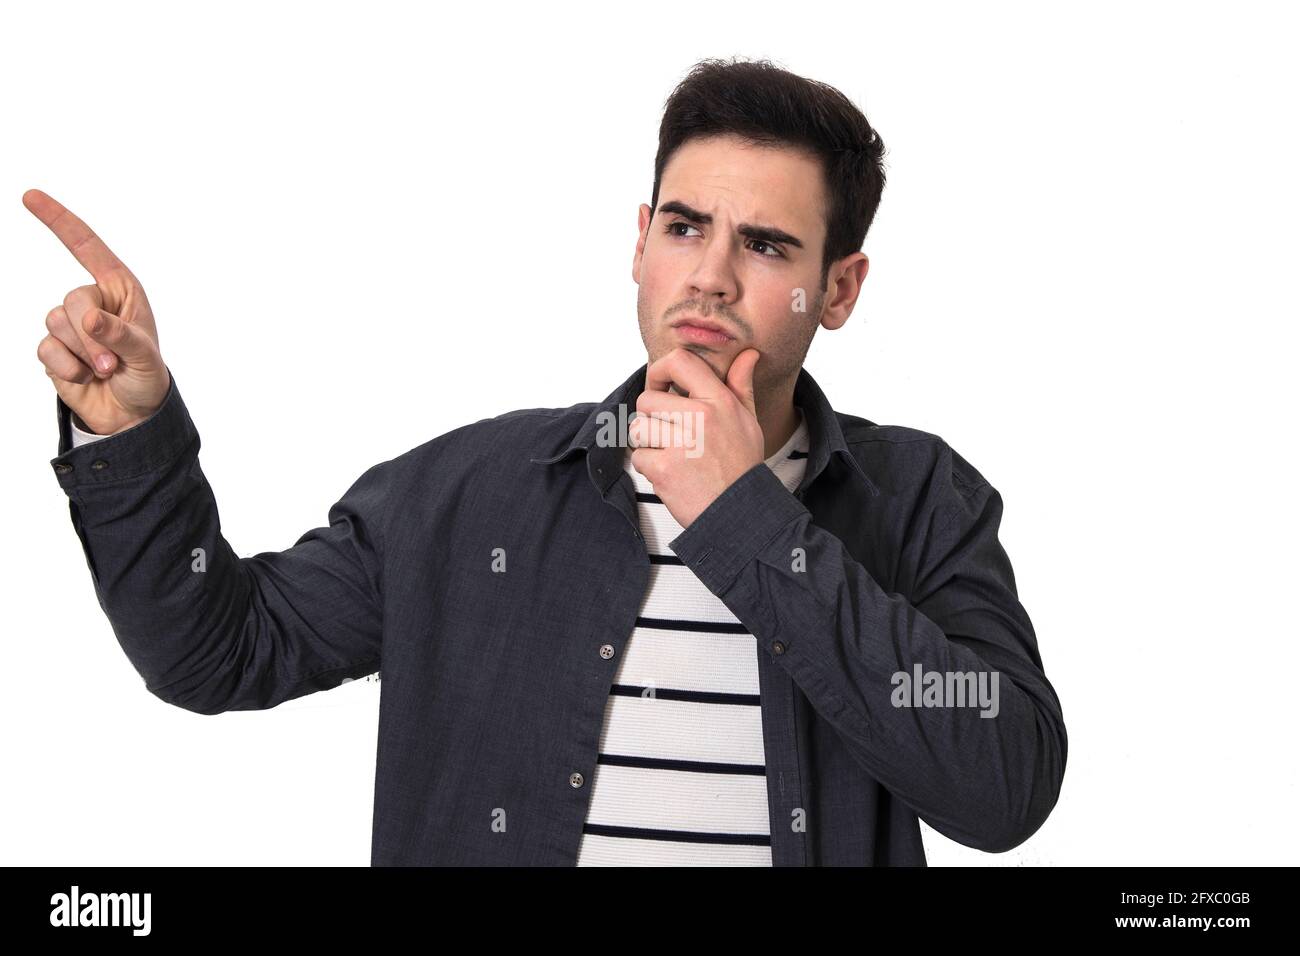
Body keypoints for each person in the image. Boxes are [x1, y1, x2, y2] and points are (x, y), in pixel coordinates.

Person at [31, 57, 1067, 866]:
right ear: (638, 244)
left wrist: (747, 520)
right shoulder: (468, 491)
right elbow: (218, 650)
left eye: (764, 246)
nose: (706, 277)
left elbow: (1002, 774)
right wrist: (131, 436)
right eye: (684, 225)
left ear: (837, 290)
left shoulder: (921, 501)